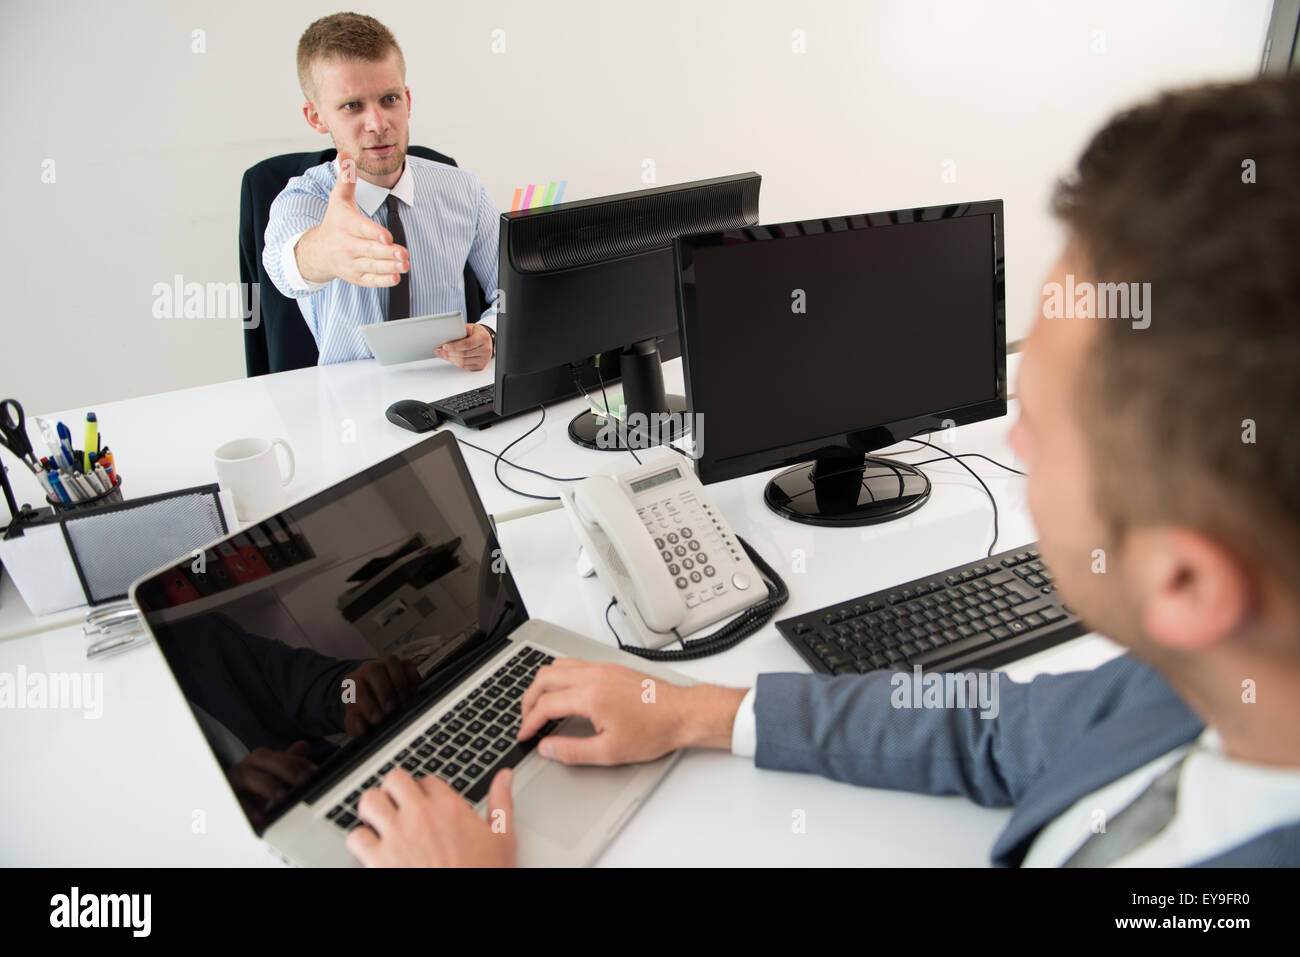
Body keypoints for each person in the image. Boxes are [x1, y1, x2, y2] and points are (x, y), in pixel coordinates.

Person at [346, 73, 1300, 868]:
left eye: (1041, 420)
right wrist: (697, 711)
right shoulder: (1201, 687)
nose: (1013, 444)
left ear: (1187, 579)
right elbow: (999, 727)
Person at [263, 12, 497, 370]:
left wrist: (490, 333)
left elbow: (514, 292)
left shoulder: (464, 189)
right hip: (348, 405)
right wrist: (324, 252)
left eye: (389, 99)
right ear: (316, 117)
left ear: (407, 99)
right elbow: (285, 269)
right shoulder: (303, 198)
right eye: (352, 106)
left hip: (451, 391)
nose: (378, 124)